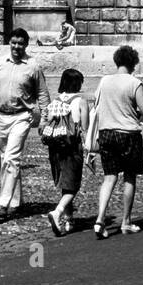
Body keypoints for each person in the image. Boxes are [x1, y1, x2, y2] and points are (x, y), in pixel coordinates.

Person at [0, 28, 50, 222]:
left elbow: (43, 94)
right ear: (9, 43)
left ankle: (3, 202)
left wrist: (44, 118)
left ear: (26, 45)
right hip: (0, 117)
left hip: (22, 116)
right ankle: (16, 203)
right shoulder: (0, 63)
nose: (16, 46)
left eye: (20, 43)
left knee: (11, 158)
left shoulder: (33, 66)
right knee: (7, 160)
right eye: (13, 43)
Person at [91, 45, 143, 238]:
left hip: (106, 133)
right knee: (129, 177)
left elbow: (96, 104)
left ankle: (100, 219)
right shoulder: (134, 82)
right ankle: (126, 221)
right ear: (133, 63)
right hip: (127, 133)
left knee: (109, 177)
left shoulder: (104, 81)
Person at [41, 68, 89, 236]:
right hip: (71, 146)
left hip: (54, 147)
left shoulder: (55, 101)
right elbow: (84, 128)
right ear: (78, 83)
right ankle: (58, 212)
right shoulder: (81, 101)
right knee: (73, 185)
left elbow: (47, 122)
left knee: (64, 184)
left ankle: (69, 221)